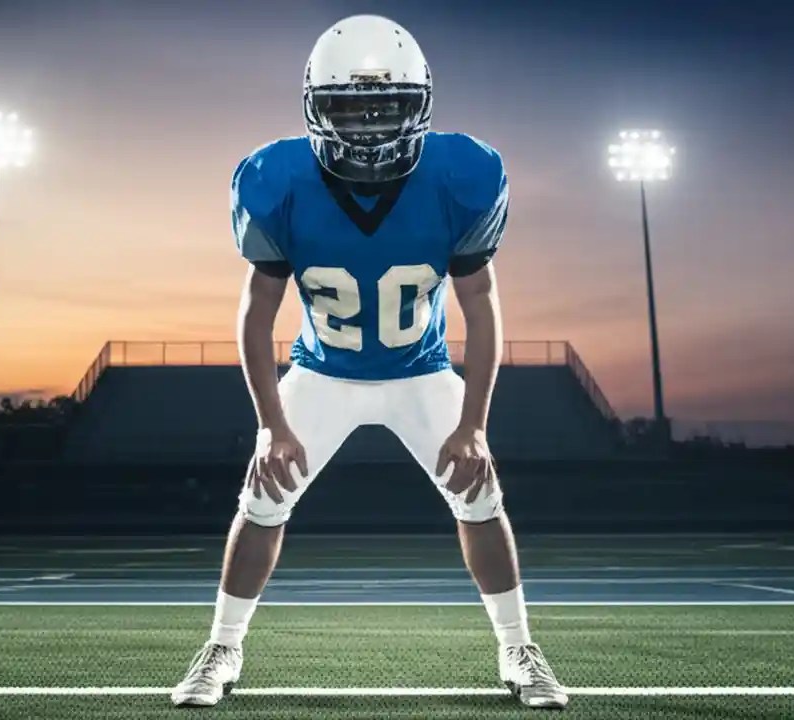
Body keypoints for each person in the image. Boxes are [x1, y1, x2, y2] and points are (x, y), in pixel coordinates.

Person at [171, 14, 568, 710]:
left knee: (481, 495)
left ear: (420, 104)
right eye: (349, 108)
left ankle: (518, 650)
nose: (369, 127)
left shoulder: (462, 176)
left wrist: (473, 424)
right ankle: (222, 648)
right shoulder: (276, 179)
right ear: (315, 108)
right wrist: (271, 425)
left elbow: (481, 306)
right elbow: (256, 315)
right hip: (324, 372)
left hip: (421, 370)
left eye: (386, 106)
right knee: (262, 498)